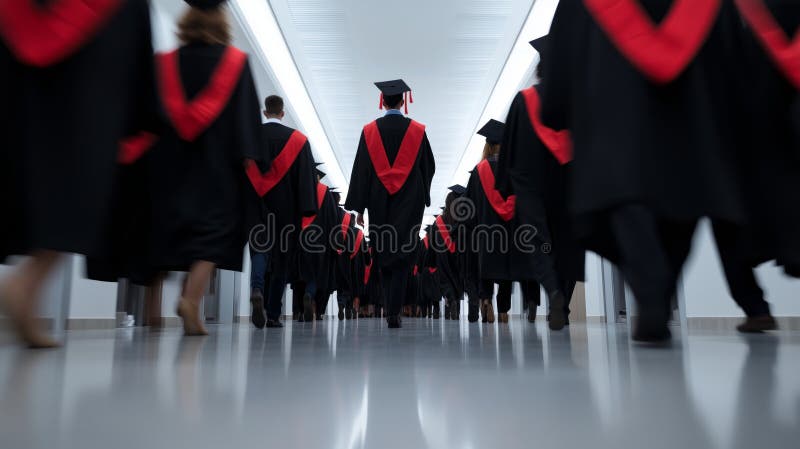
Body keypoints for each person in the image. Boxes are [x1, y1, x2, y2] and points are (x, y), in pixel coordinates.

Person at [540, 0, 748, 341]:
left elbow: (561, 64)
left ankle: (652, 293)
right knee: (684, 211)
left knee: (626, 207)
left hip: (615, 133)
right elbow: (733, 62)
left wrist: (556, 108)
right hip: (690, 129)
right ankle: (658, 296)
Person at [0, 0, 155, 347]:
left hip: (18, 82)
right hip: (88, 95)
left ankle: (25, 291)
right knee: (78, 194)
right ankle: (26, 284)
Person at [145, 0, 263, 336]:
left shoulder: (164, 63)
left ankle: (152, 309)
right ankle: (191, 299)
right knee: (215, 233)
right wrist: (249, 159)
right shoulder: (235, 65)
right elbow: (246, 123)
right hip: (216, 168)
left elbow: (148, 114)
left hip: (169, 164)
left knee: (162, 231)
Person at [497, 37, 584, 326]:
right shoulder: (576, 100)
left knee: (538, 242)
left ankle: (553, 291)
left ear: (539, 70)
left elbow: (508, 151)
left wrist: (507, 187)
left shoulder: (523, 102)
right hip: (569, 183)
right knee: (567, 244)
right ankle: (564, 304)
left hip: (531, 187)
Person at [345, 79, 435, 328]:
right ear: (402, 101)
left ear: (382, 101)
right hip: (409, 201)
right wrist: (423, 194)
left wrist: (360, 208)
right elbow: (428, 166)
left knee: (383, 252)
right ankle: (394, 310)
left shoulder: (369, 131)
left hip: (379, 200)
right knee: (404, 254)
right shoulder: (417, 131)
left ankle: (390, 308)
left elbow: (361, 170)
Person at [465, 120, 554, 326]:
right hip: (515, 232)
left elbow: (469, 207)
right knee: (512, 269)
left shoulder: (479, 172)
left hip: (488, 233)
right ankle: (519, 304)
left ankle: (487, 300)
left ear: (487, 146)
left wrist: (472, 228)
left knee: (487, 268)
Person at [245, 94, 317, 328]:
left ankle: (256, 288)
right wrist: (306, 208)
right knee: (282, 260)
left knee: (259, 250)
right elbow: (306, 181)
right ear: (282, 113)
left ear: (265, 112)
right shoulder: (298, 140)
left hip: (257, 204)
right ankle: (274, 313)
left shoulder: (251, 137)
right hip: (287, 210)